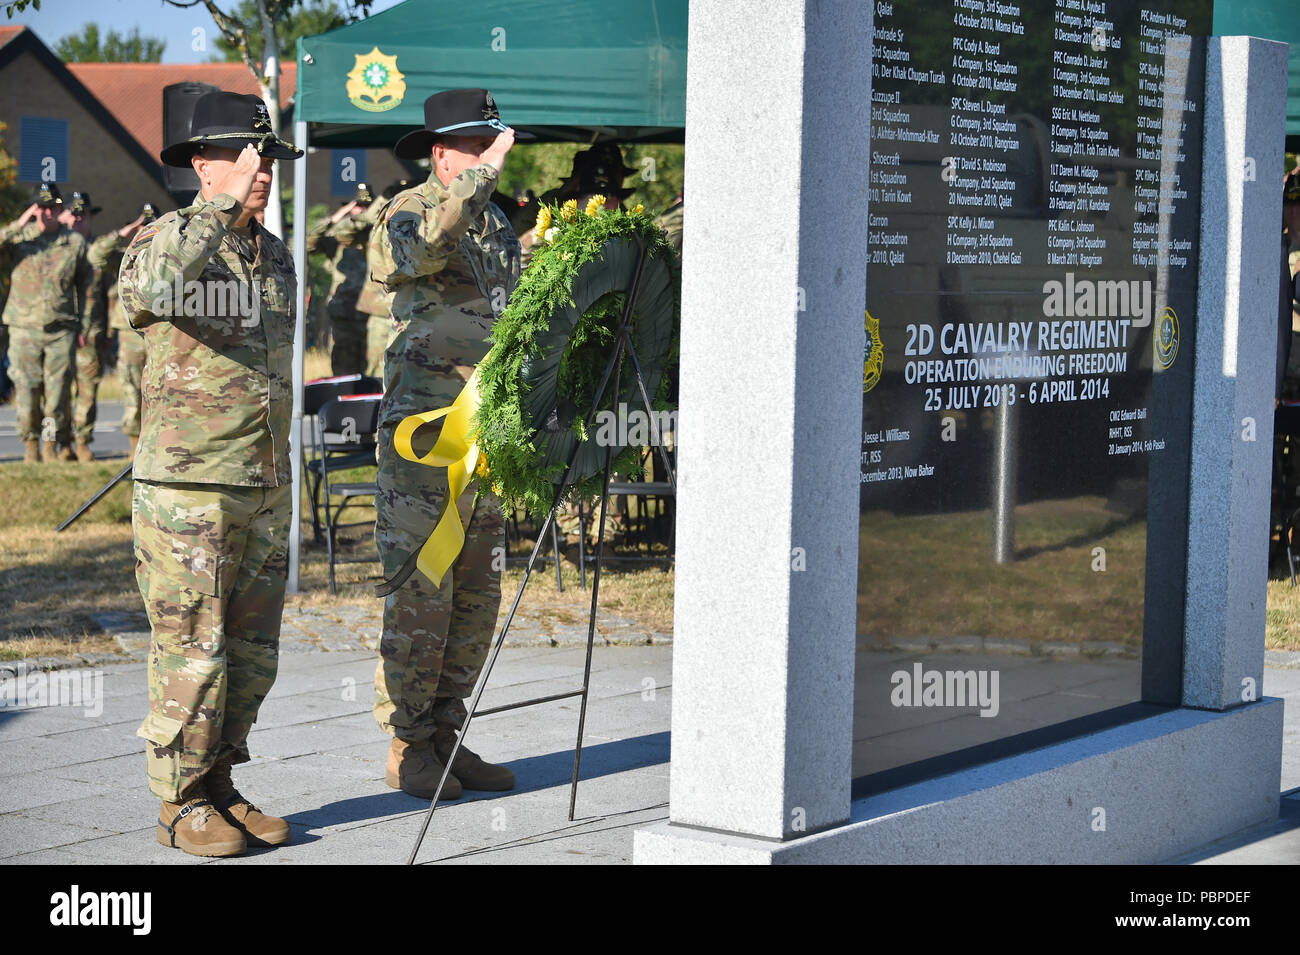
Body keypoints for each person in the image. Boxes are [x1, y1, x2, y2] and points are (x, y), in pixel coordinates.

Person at [118, 91, 303, 857]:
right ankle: (178, 800)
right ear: (203, 163)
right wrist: (220, 205)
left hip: (262, 482)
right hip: (187, 490)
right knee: (194, 648)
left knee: (253, 653)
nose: (263, 171)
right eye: (246, 156)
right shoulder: (169, 238)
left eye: (269, 158)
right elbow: (151, 291)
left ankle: (220, 781)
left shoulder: (277, 253)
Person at [371, 88, 525, 799]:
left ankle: (445, 732)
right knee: (422, 591)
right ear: (441, 153)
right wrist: (485, 174)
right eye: (476, 146)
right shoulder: (407, 213)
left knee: (475, 594)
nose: (492, 157)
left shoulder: (495, 226)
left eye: (492, 144)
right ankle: (408, 745)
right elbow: (424, 248)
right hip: (425, 437)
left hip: (482, 437)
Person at [0, 183, 94, 463]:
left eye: (53, 207)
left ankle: (52, 445)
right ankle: (31, 446)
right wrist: (19, 223)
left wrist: (84, 327)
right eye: (42, 207)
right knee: (27, 391)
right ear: (35, 209)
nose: (48, 213)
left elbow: (86, 289)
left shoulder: (74, 243)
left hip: (60, 330)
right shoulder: (20, 240)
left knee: (56, 396)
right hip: (23, 330)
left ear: (60, 209)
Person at [88, 201, 155, 458]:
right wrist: (127, 231)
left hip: (161, 330)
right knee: (131, 390)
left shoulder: (168, 257)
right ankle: (133, 449)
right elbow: (96, 255)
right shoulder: (123, 257)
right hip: (130, 334)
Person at [306, 182, 373, 375]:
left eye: (366, 207)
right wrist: (336, 218)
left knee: (372, 368)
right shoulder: (337, 239)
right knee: (344, 366)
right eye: (358, 206)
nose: (362, 211)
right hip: (344, 312)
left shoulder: (376, 235)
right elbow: (310, 242)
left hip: (372, 311)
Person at [60, 191, 107, 461]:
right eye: (74, 214)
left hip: (92, 333)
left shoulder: (98, 250)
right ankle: (62, 443)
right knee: (59, 391)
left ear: (90, 217)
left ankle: (82, 441)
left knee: (88, 390)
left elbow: (110, 294)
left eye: (83, 214)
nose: (78, 219)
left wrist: (110, 331)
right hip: (61, 331)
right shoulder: (57, 248)